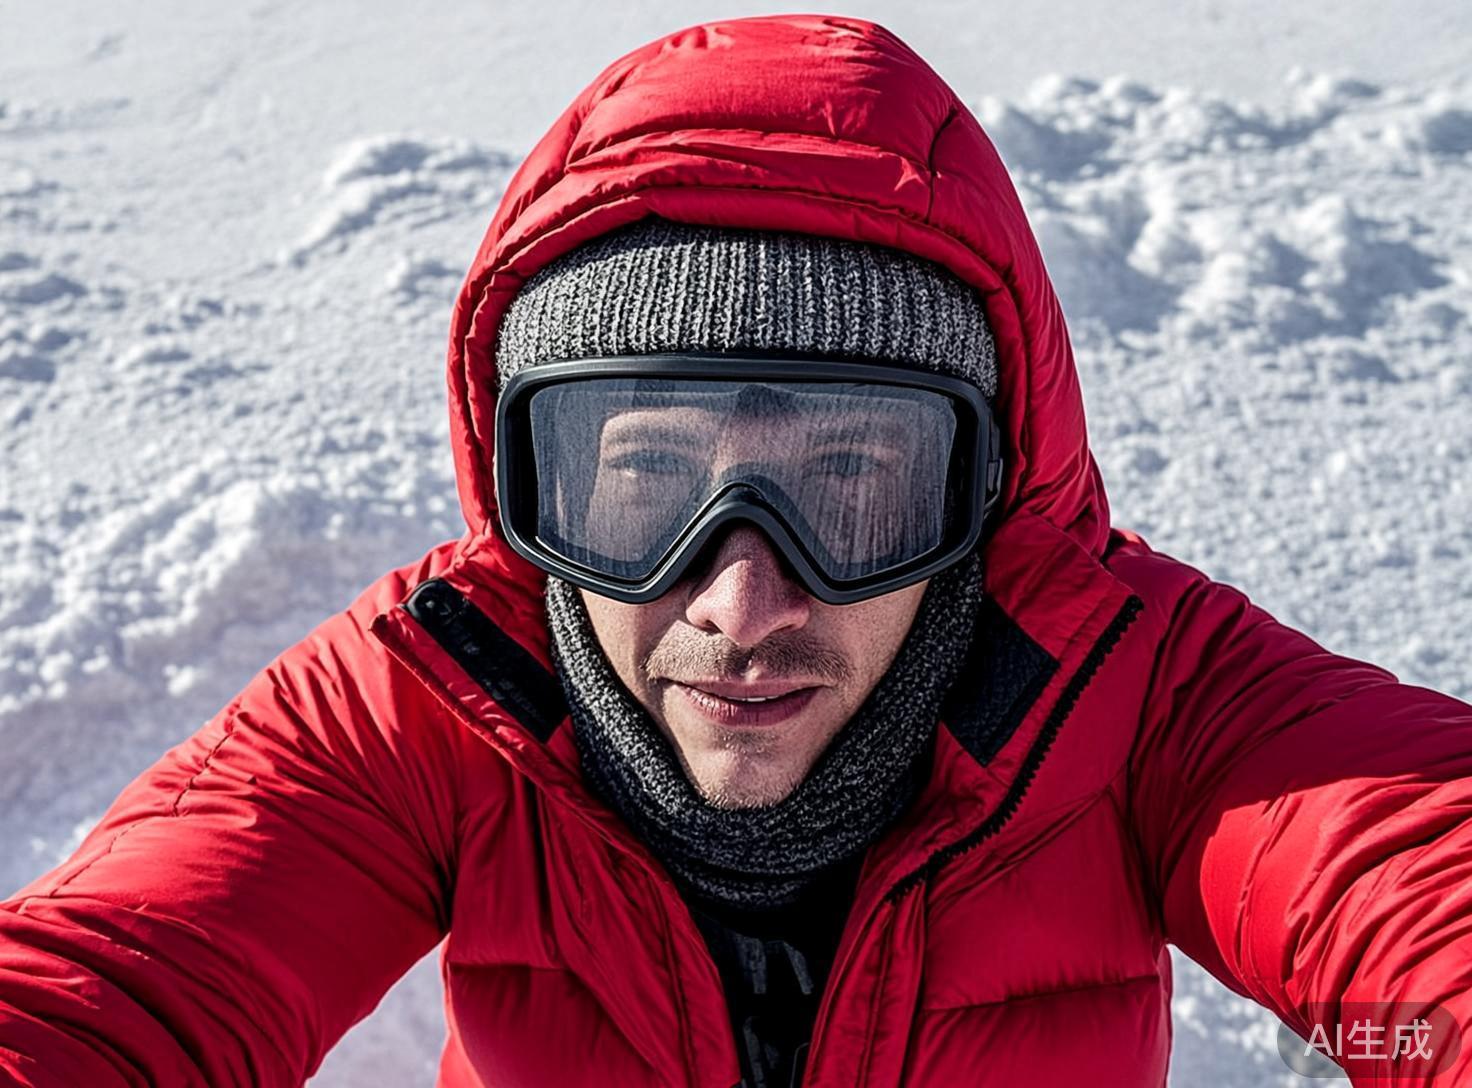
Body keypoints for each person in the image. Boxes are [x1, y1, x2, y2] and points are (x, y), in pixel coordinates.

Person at [2, 13, 1470, 1088]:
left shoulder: (1140, 694)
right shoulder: (445, 699)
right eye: (642, 485)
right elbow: (112, 989)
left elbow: (1417, 894)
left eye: (850, 484)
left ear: (988, 491)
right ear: (524, 487)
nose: (741, 599)